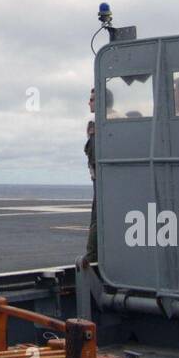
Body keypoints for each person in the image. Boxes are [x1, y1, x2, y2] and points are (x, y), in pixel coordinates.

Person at [78, 91, 98, 272]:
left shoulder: (98, 129)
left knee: (97, 219)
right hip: (101, 184)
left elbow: (95, 163)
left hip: (102, 186)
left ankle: (91, 259)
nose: (89, 103)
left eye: (92, 99)